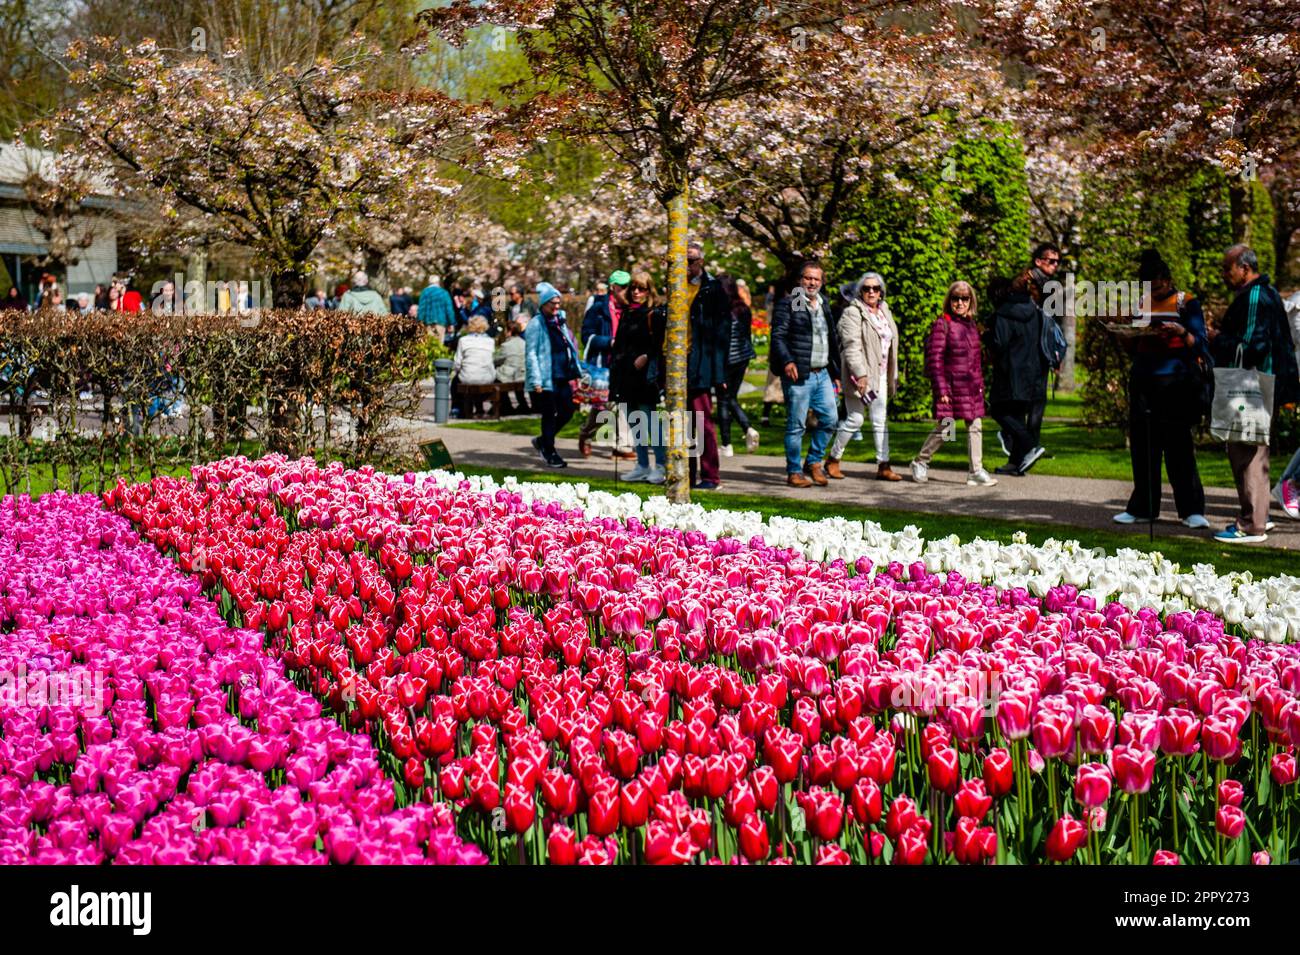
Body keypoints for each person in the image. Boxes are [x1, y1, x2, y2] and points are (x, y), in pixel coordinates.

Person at [1111, 250, 1210, 529]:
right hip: (1144, 378)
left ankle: (1191, 509)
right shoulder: (1141, 303)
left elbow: (1200, 342)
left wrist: (1180, 333)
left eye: (1158, 287)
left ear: (1168, 280)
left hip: (1175, 381)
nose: (1153, 292)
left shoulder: (1186, 303)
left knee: (1179, 445)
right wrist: (1122, 333)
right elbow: (1134, 346)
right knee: (1144, 447)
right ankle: (1143, 506)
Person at [1211, 244, 1296, 543]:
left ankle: (1251, 524)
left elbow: (1251, 346)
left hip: (1251, 384)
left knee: (1245, 450)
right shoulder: (1266, 293)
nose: (1224, 274)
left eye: (1227, 268)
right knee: (1254, 449)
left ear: (1244, 268)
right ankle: (1260, 515)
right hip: (1261, 383)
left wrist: (1216, 339)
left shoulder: (1255, 296)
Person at [911, 281, 997, 486]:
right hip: (949, 387)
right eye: (955, 298)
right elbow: (935, 359)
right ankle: (920, 461)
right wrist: (941, 388)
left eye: (964, 298)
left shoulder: (971, 325)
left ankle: (976, 470)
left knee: (975, 425)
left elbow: (975, 361)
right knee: (946, 428)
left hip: (970, 387)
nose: (960, 302)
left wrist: (979, 386)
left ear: (971, 301)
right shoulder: (943, 324)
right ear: (949, 300)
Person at [770, 259, 839, 488]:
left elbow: (831, 338)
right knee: (796, 425)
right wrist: (787, 360)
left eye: (816, 279)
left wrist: (835, 371)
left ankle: (813, 462)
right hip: (800, 375)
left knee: (830, 419)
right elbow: (779, 335)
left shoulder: (823, 303)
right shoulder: (794, 302)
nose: (812, 282)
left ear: (822, 282)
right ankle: (794, 471)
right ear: (800, 280)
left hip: (822, 374)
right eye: (808, 278)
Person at [826, 272, 901, 481]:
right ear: (860, 291)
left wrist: (892, 373)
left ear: (881, 292)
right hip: (860, 376)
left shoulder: (885, 311)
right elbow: (851, 347)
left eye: (875, 288)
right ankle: (833, 459)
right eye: (867, 288)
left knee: (880, 420)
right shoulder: (852, 313)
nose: (871, 292)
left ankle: (883, 465)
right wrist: (861, 375)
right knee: (855, 419)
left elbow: (890, 342)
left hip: (881, 375)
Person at [988, 268, 1050, 475]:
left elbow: (999, 343)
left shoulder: (1002, 313)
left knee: (998, 410)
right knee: (1017, 415)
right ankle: (1015, 463)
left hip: (1009, 373)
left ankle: (1031, 445)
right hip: (1031, 372)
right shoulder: (1031, 309)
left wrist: (986, 337)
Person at [610, 271, 667, 484]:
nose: (636, 292)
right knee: (635, 422)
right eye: (633, 288)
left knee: (650, 420)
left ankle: (660, 464)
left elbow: (661, 344)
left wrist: (647, 355)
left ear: (648, 290)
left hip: (645, 377)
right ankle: (642, 464)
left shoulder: (654, 314)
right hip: (626, 375)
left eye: (641, 288)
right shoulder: (626, 313)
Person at [686, 242, 729, 489]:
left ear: (700, 261)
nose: (687, 265)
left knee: (702, 422)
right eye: (682, 260)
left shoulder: (712, 289)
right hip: (678, 364)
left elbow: (722, 333)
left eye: (691, 260)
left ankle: (710, 476)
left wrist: (718, 372)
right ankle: (686, 475)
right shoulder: (675, 288)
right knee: (682, 423)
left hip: (701, 363)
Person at [578, 271, 634, 459]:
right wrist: (609, 342)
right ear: (613, 287)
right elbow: (587, 336)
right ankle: (589, 433)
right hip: (604, 365)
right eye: (622, 286)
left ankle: (621, 445)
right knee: (608, 404)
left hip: (625, 364)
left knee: (618, 403)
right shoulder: (598, 308)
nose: (626, 290)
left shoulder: (631, 308)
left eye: (628, 286)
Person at [524, 281, 580, 468]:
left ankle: (543, 440)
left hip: (562, 374)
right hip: (545, 377)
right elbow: (531, 353)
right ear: (543, 304)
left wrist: (576, 369)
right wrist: (536, 380)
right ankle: (549, 450)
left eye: (558, 303)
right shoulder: (536, 324)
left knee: (568, 410)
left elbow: (569, 345)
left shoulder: (560, 322)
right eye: (552, 303)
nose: (556, 306)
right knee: (549, 413)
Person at [716, 275, 760, 456]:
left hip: (727, 359)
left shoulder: (720, 311)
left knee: (723, 401)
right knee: (731, 398)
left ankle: (727, 443)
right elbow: (747, 335)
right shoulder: (743, 308)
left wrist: (718, 369)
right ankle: (747, 429)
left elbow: (719, 342)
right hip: (742, 357)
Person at [453, 314, 497, 418]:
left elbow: (457, 362)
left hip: (468, 377)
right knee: (479, 373)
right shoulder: (490, 341)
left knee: (455, 381)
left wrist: (459, 370)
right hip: (486, 377)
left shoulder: (463, 340)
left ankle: (456, 408)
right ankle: (479, 409)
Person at [495, 314, 530, 414]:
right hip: (523, 374)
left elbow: (497, 360)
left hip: (510, 376)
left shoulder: (506, 345)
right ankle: (523, 405)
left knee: (498, 378)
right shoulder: (524, 343)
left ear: (510, 331)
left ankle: (506, 405)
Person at [417, 275, 456, 341]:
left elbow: (421, 309)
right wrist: (451, 323)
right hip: (441, 322)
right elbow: (449, 309)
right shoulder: (444, 293)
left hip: (428, 323)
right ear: (438, 282)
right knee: (439, 344)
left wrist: (419, 322)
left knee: (428, 344)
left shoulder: (425, 292)